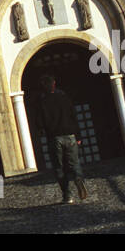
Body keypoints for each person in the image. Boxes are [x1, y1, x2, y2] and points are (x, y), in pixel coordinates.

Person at [36, 73, 87, 204]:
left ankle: (67, 196)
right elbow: (73, 117)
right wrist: (78, 135)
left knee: (59, 167)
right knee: (74, 163)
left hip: (55, 138)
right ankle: (78, 179)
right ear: (54, 84)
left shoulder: (42, 102)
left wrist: (44, 132)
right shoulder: (64, 98)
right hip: (70, 135)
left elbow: (40, 123)